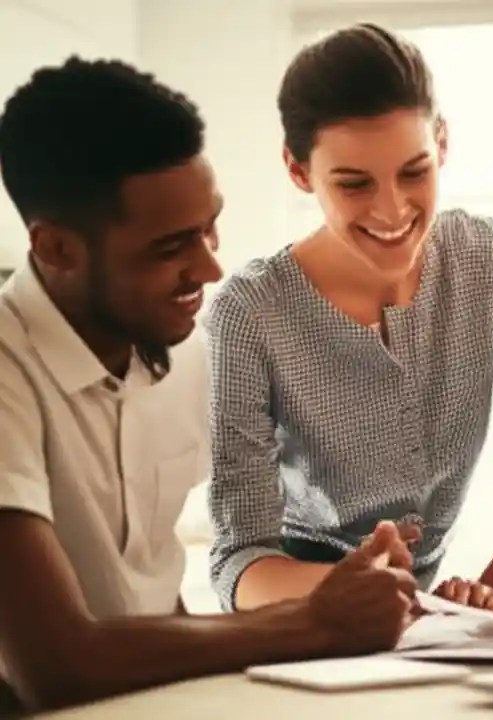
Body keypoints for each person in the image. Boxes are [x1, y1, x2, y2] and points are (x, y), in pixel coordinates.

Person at [0, 58, 422, 712]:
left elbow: (144, 599)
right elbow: (54, 666)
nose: (210, 265)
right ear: (56, 249)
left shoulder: (183, 351)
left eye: (209, 226)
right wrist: (314, 621)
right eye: (170, 248)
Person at [204, 23, 493, 634]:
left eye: (414, 172)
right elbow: (240, 558)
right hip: (307, 605)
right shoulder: (250, 312)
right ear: (298, 171)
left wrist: (481, 600)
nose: (393, 210)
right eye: (354, 184)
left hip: (428, 623)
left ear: (443, 143)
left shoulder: (490, 263)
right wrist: (368, 597)